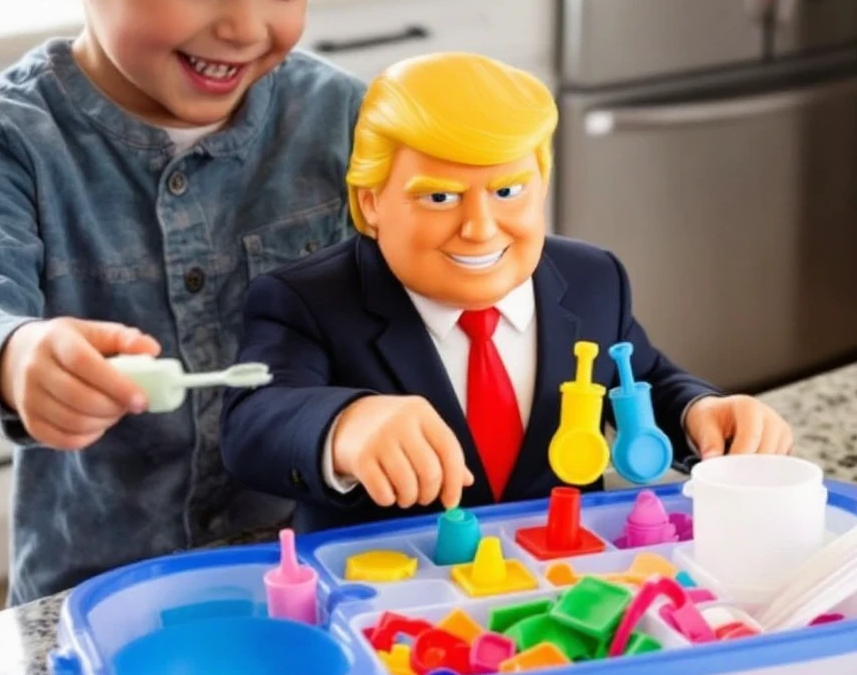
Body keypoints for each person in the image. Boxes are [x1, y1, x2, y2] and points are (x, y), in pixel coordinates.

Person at [0, 0, 364, 604]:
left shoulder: (345, 121)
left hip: (318, 577)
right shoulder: (6, 142)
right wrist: (17, 356)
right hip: (96, 594)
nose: (246, 26)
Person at [221, 52, 793, 530]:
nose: (480, 227)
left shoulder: (593, 278)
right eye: (440, 197)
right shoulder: (308, 300)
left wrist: (702, 408)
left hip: (563, 588)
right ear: (372, 201)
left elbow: (641, 377)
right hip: (394, 608)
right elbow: (253, 424)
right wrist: (343, 425)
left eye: (508, 191)